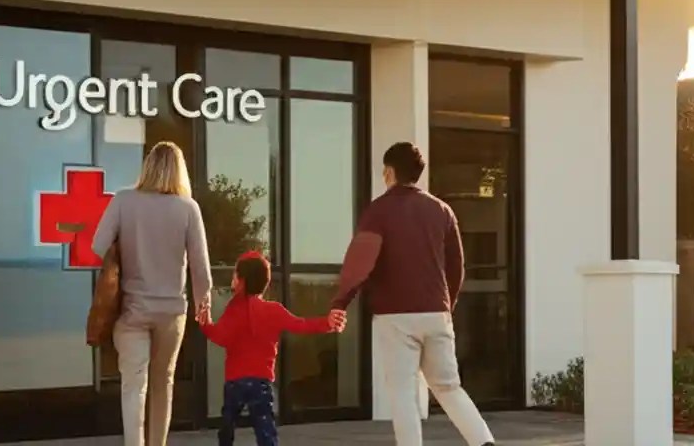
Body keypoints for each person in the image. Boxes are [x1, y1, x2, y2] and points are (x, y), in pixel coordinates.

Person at [329, 142, 494, 446]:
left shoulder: (378, 210)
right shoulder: (442, 210)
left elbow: (360, 260)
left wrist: (341, 301)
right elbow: (457, 267)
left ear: (389, 172)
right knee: (448, 387)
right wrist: (446, 306)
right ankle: (484, 441)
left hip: (395, 316)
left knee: (403, 392)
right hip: (437, 313)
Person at [93, 141, 212, 446]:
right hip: (172, 312)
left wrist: (127, 248)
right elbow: (200, 266)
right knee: (163, 383)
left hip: (133, 309)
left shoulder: (123, 200)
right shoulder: (188, 208)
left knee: (134, 384)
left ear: (147, 167)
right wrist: (204, 304)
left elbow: (97, 245)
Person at [198, 250, 346, 446]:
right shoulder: (273, 311)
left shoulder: (233, 310)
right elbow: (300, 325)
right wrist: (327, 323)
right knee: (265, 428)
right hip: (261, 382)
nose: (232, 278)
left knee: (227, 425)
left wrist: (205, 323)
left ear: (241, 281)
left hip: (235, 382)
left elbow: (220, 337)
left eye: (235, 274)